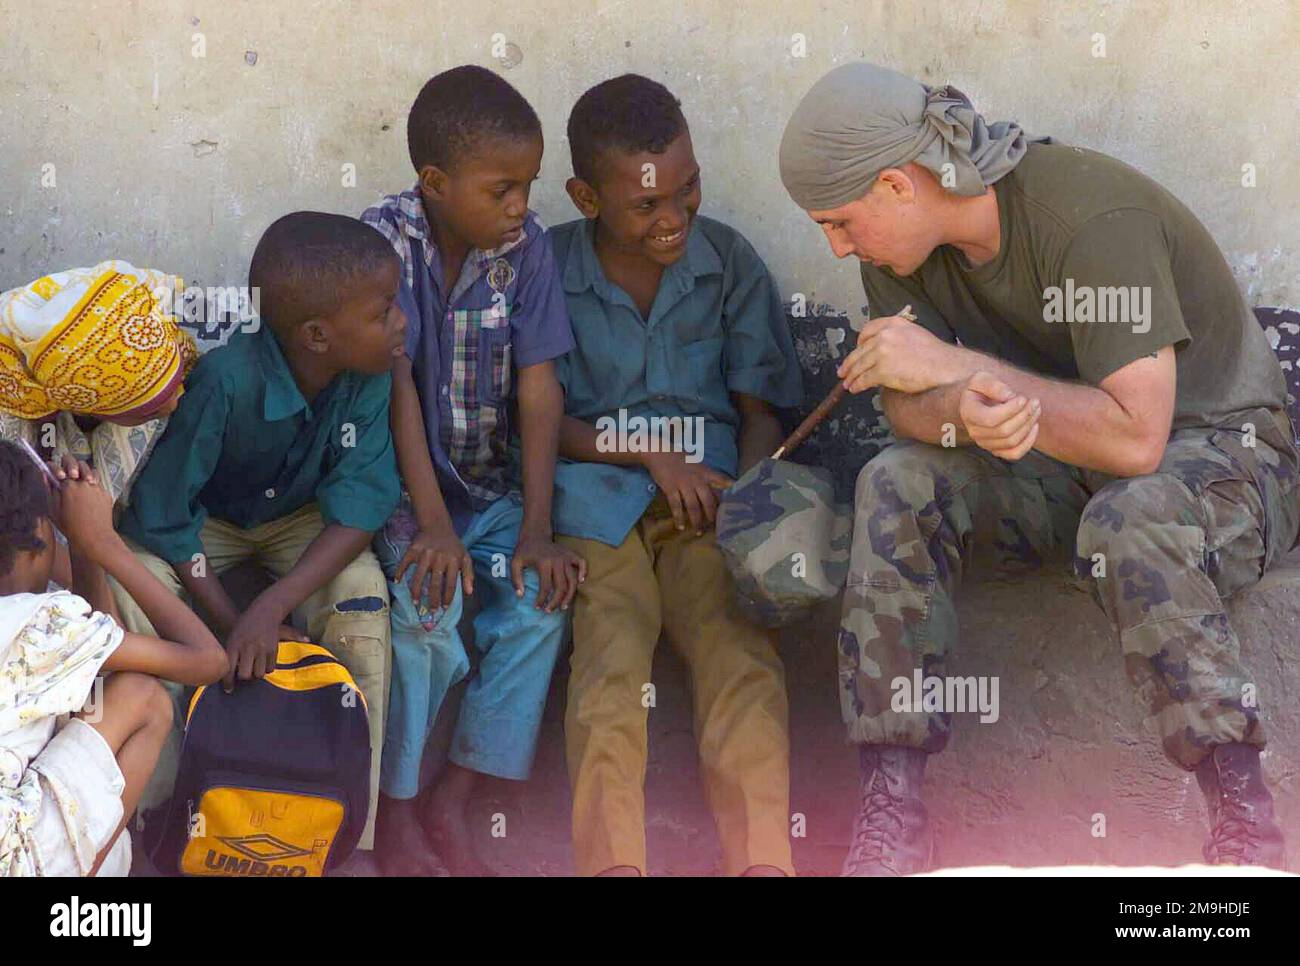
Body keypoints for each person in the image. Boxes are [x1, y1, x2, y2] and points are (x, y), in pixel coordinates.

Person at [779, 61, 1299, 874]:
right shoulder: (898, 255)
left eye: (840, 223)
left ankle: (1243, 820)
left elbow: (1137, 443)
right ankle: (893, 815)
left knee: (1132, 517)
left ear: (896, 184)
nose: (837, 246)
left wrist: (956, 367)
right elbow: (906, 405)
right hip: (1062, 461)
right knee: (895, 480)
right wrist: (957, 405)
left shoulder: (1089, 219)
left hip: (1221, 452)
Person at [550, 74, 803, 876]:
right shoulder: (543, 270)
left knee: (739, 655)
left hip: (709, 509)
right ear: (586, 197)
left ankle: (765, 862)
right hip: (596, 504)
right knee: (609, 664)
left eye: (687, 191)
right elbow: (533, 418)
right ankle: (614, 865)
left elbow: (760, 409)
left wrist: (751, 500)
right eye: (647, 206)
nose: (674, 219)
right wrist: (648, 455)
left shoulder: (727, 261)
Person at [113, 211, 405, 850]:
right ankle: (157, 818)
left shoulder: (370, 375)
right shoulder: (225, 380)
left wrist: (270, 605)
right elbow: (164, 513)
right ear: (318, 335)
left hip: (299, 520)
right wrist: (228, 617)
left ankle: (349, 834)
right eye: (385, 311)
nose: (401, 322)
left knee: (360, 602)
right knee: (137, 595)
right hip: (205, 525)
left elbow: (359, 506)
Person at [361, 65, 582, 876]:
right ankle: (403, 806)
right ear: (434, 182)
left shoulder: (525, 251)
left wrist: (535, 526)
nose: (521, 205)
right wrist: (432, 524)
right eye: (501, 190)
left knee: (538, 603)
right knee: (425, 612)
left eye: (526, 184)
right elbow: (394, 393)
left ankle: (460, 790)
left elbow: (539, 385)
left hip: (490, 492)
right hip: (397, 494)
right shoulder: (382, 242)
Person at [1, 444, 226, 876]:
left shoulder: (45, 627)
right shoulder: (45, 625)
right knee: (144, 698)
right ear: (40, 536)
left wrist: (85, 551)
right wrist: (103, 543)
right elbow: (207, 659)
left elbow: (99, 667)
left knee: (95, 700)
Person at [0, 261, 197, 584]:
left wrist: (98, 546)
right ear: (92, 406)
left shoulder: (150, 362)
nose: (176, 400)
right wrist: (96, 553)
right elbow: (20, 550)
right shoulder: (11, 417)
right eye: (150, 409)